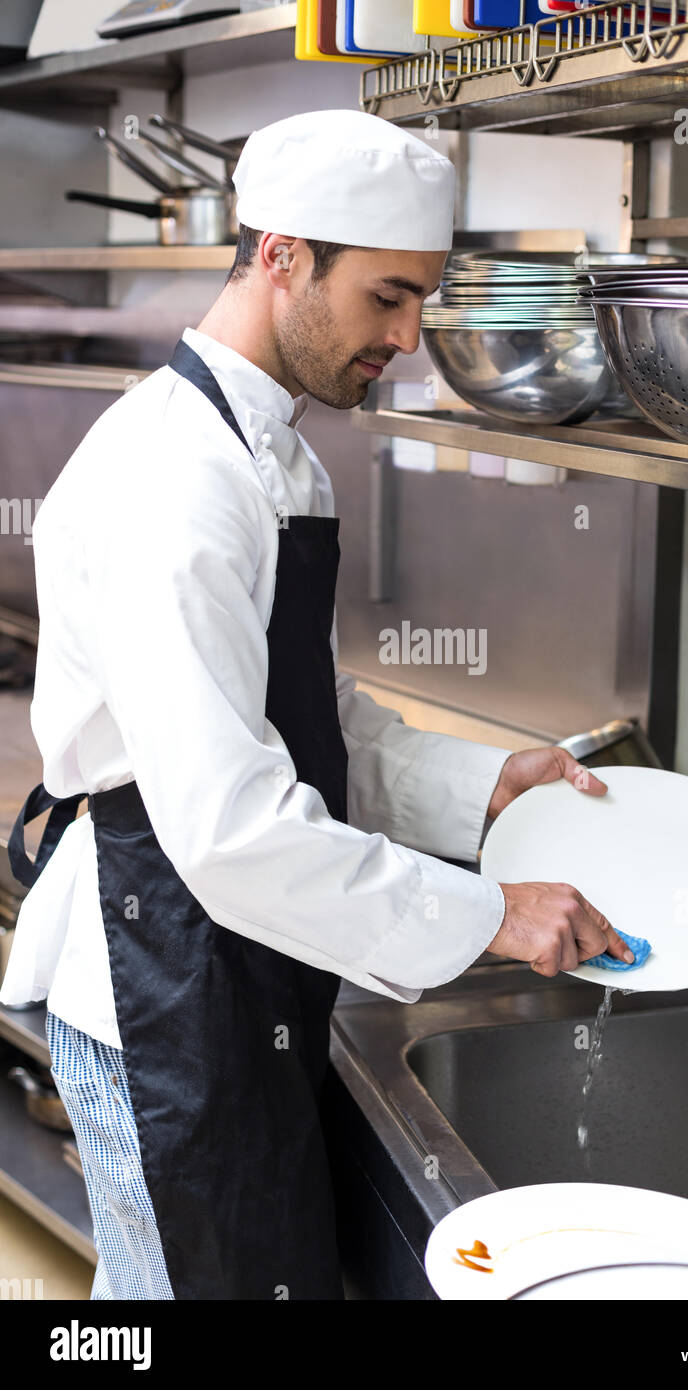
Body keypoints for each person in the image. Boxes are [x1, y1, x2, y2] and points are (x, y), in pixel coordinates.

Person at [1, 108, 631, 1301]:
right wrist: (489, 913)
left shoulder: (266, 449)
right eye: (386, 298)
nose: (405, 336)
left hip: (233, 961)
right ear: (282, 253)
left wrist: (481, 783)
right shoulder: (172, 481)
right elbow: (232, 827)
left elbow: (301, 715)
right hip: (166, 973)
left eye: (419, 304)